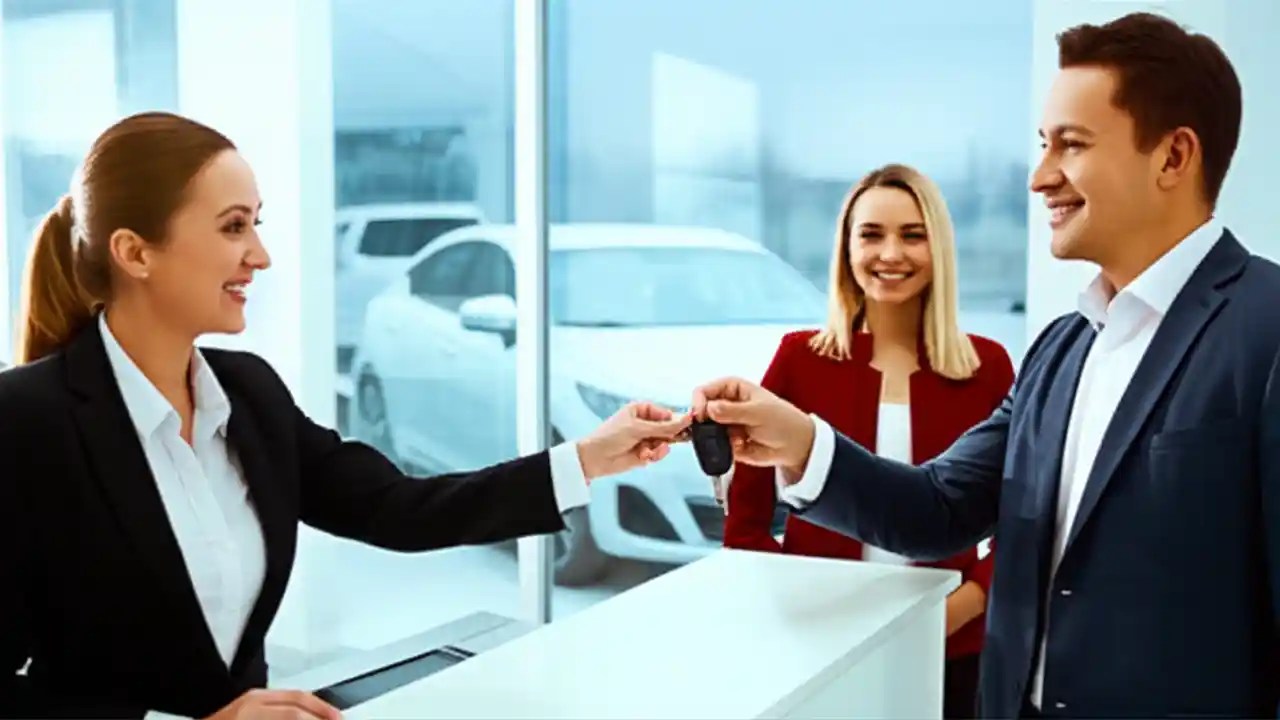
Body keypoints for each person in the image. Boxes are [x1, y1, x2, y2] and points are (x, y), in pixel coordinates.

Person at [0, 111, 689, 720]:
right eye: (232, 227)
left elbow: (399, 508)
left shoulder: (250, 396)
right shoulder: (25, 422)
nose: (260, 255)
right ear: (134, 251)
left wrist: (591, 457)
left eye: (256, 223)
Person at [692, 12, 1280, 719]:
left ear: (1173, 157)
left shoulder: (1266, 329)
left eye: (1071, 145)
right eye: (1042, 145)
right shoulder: (1062, 349)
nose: (1040, 177)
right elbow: (937, 509)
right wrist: (799, 441)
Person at [722, 163, 1012, 718]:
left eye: (912, 234)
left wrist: (967, 602)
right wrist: (797, 603)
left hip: (950, 646)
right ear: (846, 249)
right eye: (872, 234)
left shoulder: (988, 367)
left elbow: (1024, 518)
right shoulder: (798, 360)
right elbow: (746, 521)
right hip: (820, 645)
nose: (890, 254)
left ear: (938, 247)